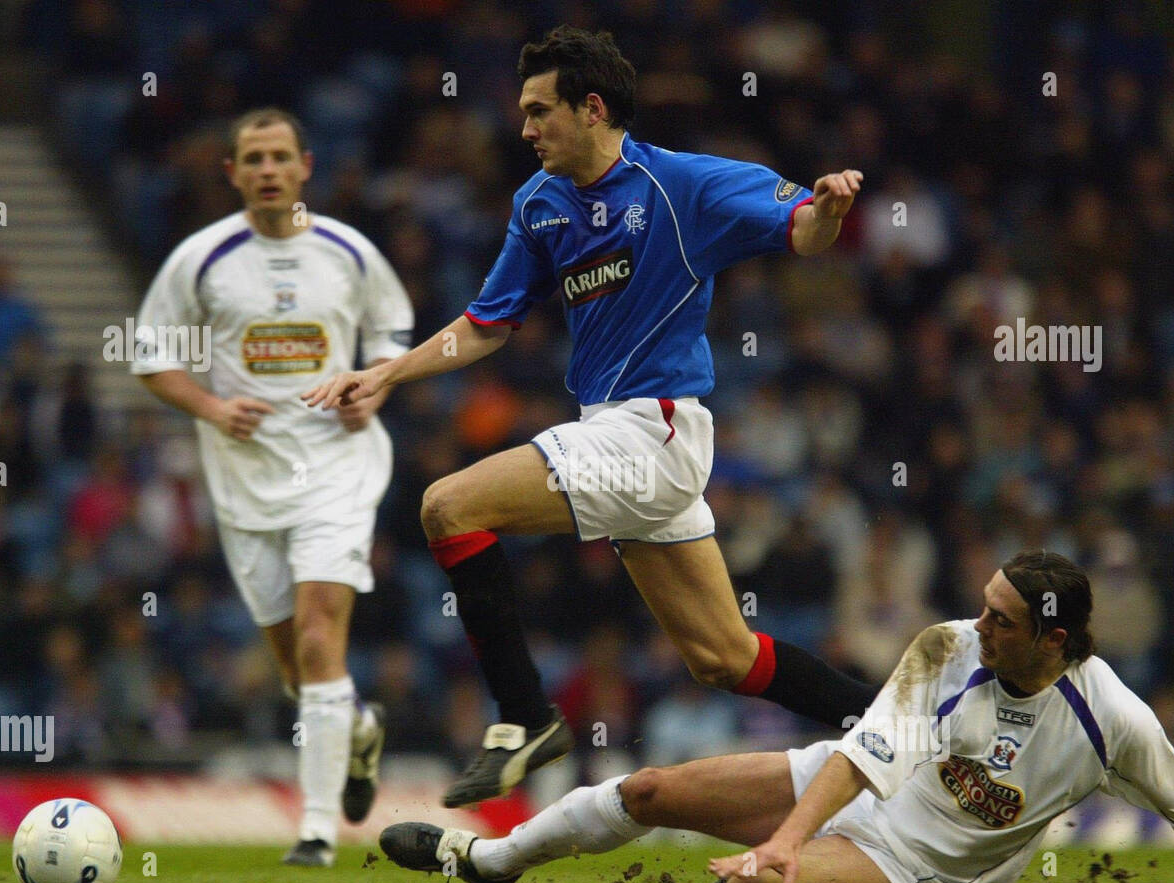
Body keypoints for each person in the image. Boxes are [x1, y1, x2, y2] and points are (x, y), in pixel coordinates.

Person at [303, 25, 877, 808]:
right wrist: (388, 373)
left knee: (447, 505)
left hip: (657, 430)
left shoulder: (682, 186)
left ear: (593, 108)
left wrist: (832, 211)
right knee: (724, 657)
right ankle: (890, 730)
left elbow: (803, 229)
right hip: (617, 435)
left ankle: (524, 718)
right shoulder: (539, 204)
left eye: (541, 110)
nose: (526, 128)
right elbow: (486, 323)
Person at [378, 551, 1174, 883]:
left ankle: (786, 875)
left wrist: (774, 860)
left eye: (1002, 620)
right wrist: (790, 836)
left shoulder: (1115, 721)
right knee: (648, 791)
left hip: (918, 868)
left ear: (1054, 641)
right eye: (985, 607)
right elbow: (864, 758)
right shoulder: (947, 647)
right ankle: (488, 865)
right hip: (841, 792)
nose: (979, 622)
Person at [133, 108, 413, 866]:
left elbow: (392, 335)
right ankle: (354, 729)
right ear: (230, 172)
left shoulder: (349, 253)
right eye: (251, 157)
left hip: (337, 466)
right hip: (246, 481)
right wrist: (213, 408)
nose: (266, 169)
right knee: (297, 669)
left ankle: (316, 832)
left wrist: (373, 390)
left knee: (323, 634)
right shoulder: (202, 259)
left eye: (279, 156)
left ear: (305, 166)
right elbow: (149, 353)